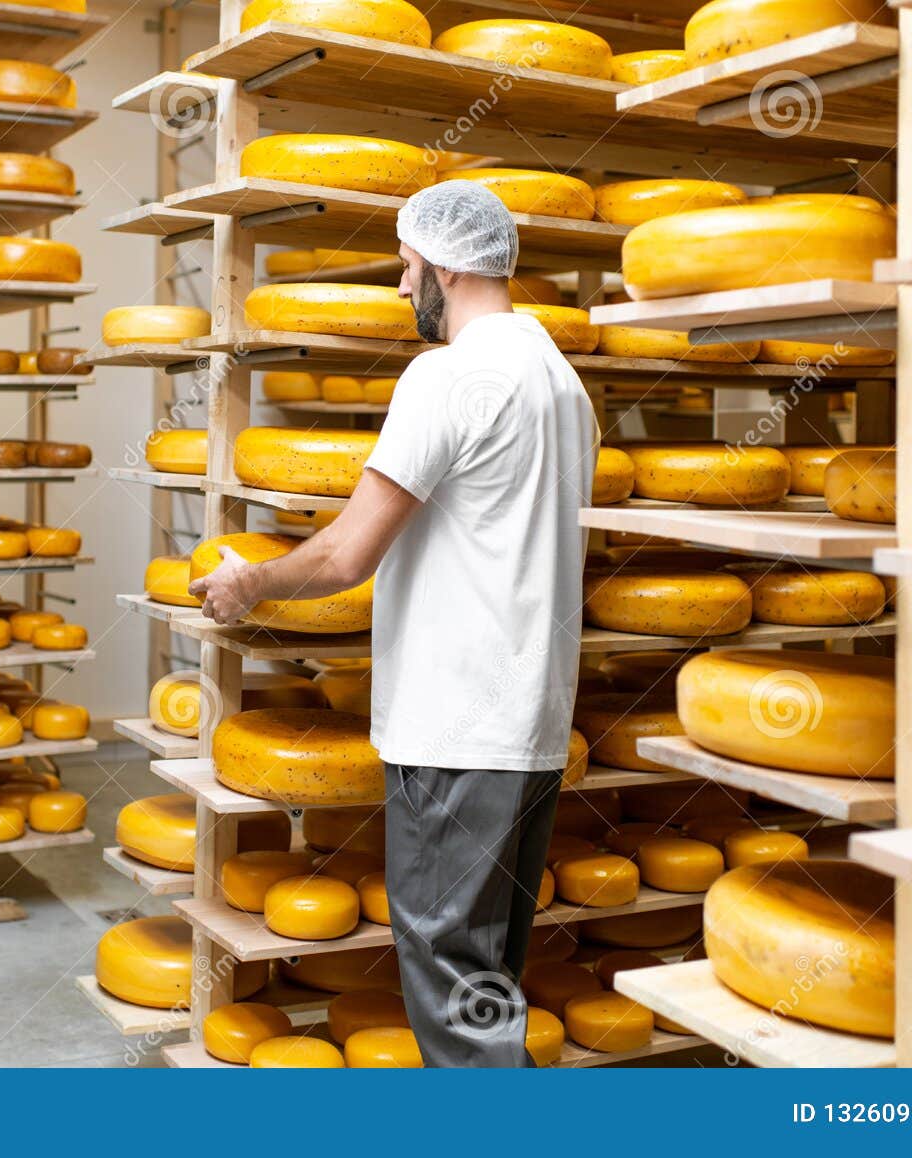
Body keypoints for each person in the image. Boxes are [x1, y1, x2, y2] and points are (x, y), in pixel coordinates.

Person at [189, 180, 599, 1066]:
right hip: (530, 724)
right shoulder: (561, 380)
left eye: (405, 265)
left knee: (452, 990)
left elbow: (346, 555)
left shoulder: (447, 376)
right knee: (489, 978)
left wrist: (251, 583)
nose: (399, 285)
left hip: (456, 728)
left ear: (446, 266)